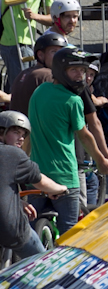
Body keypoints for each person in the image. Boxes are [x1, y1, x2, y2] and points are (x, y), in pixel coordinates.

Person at [28, 46, 108, 233]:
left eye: (83, 71)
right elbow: (84, 135)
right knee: (70, 232)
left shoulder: (39, 91)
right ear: (61, 70)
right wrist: (101, 161)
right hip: (64, 175)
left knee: (32, 231)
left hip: (35, 175)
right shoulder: (73, 101)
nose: (80, 76)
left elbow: (30, 132)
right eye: (74, 70)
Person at [0, 111, 66, 263]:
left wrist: (18, 203)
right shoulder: (13, 154)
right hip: (9, 231)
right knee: (42, 263)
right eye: (16, 132)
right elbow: (40, 181)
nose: (21, 138)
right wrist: (59, 189)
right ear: (1, 132)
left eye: (23, 134)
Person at [0, 0, 49, 92]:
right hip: (11, 40)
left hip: (31, 43)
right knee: (21, 85)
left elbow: (52, 19)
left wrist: (35, 17)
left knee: (27, 83)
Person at [10, 33, 66, 116]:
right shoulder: (48, 75)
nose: (60, 56)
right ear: (40, 55)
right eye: (54, 52)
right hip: (37, 127)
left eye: (62, 52)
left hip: (19, 126)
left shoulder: (23, 73)